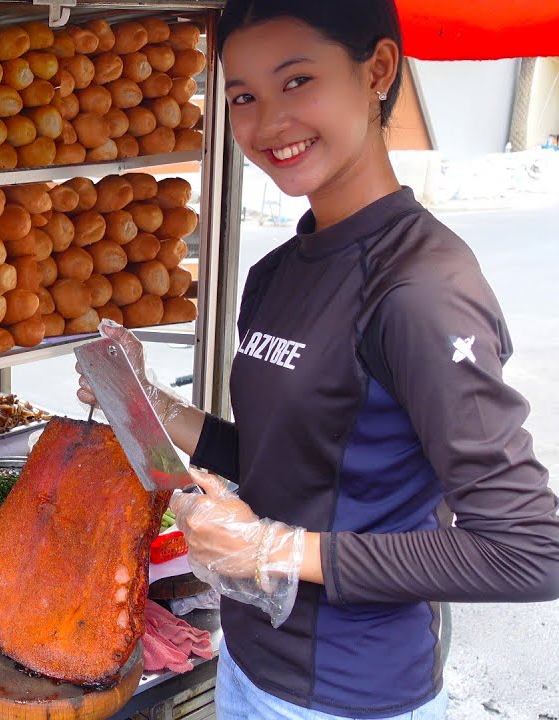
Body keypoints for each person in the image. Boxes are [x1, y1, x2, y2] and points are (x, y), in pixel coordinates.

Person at [77, 1, 559, 718]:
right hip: (247, 660)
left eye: (297, 81)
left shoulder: (421, 288)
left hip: (353, 692)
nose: (269, 123)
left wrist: (274, 551)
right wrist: (154, 406)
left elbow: (528, 551)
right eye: (242, 96)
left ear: (378, 71)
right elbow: (295, 461)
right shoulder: (276, 274)